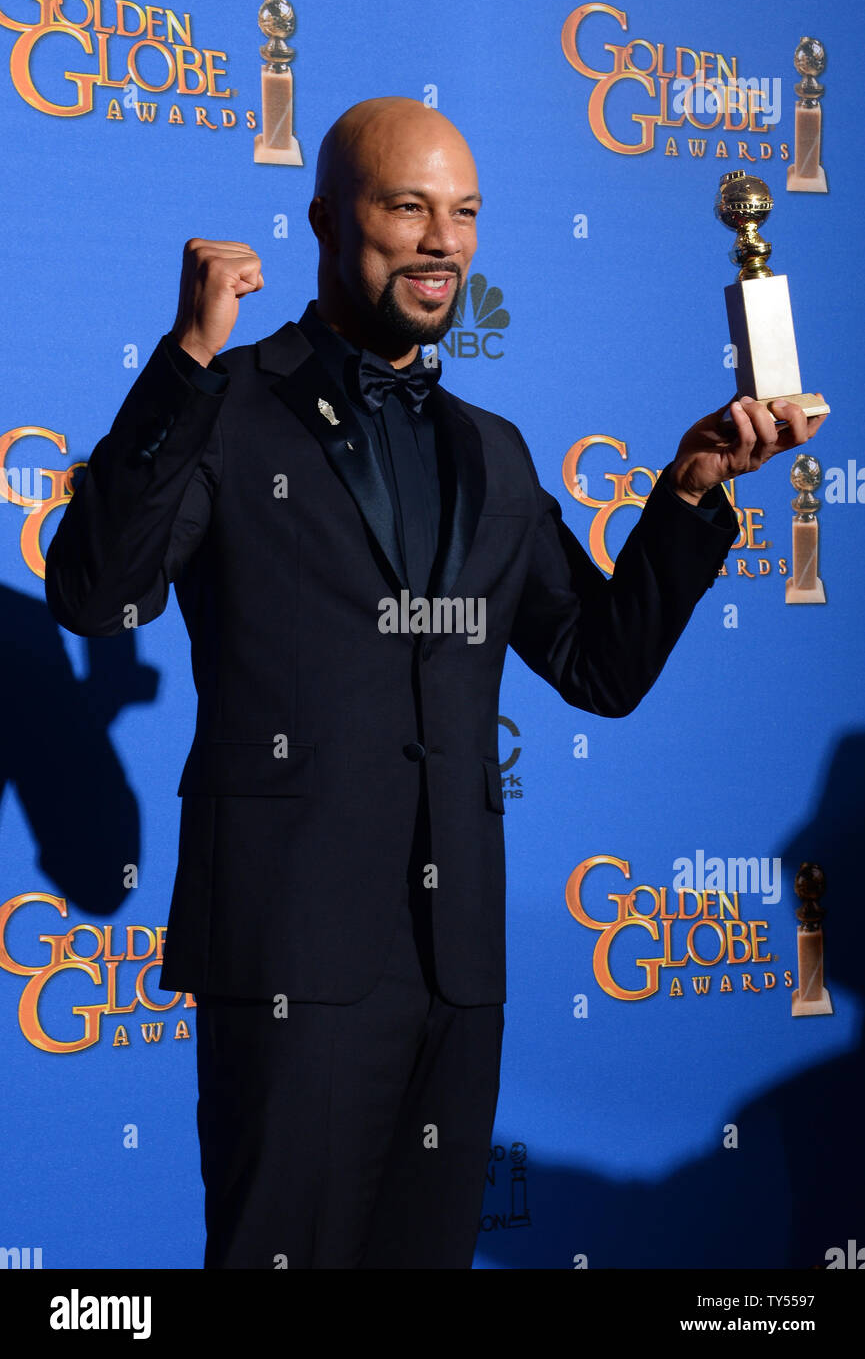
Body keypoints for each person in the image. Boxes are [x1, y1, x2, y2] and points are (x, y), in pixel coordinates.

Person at [44, 96, 827, 1269]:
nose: (440, 242)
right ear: (323, 219)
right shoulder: (227, 405)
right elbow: (95, 595)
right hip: (290, 961)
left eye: (462, 214)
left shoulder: (492, 451)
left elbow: (598, 665)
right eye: (407, 207)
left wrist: (686, 490)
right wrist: (187, 363)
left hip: (456, 965)